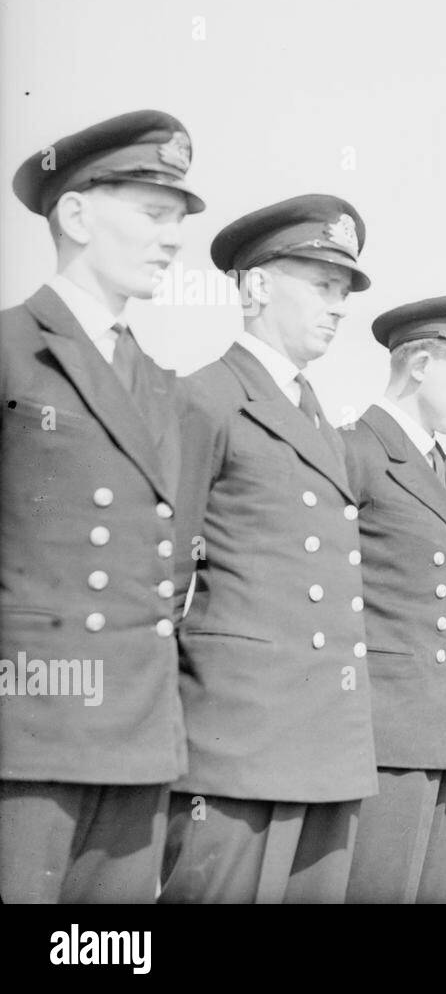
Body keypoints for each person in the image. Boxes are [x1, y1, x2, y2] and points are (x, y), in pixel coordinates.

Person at [0, 110, 203, 903]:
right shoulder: (13, 348)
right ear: (77, 214)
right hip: (30, 736)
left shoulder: (160, 382)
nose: (171, 240)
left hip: (139, 740)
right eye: (153, 215)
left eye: (178, 223)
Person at [162, 194, 377, 903]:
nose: (338, 306)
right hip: (240, 740)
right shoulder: (206, 397)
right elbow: (159, 575)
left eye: (343, 291)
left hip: (326, 737)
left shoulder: (317, 414)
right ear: (255, 287)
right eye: (320, 285)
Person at [342, 296, 446, 902]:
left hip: (443, 727)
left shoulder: (439, 465)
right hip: (387, 731)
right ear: (418, 365)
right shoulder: (356, 450)